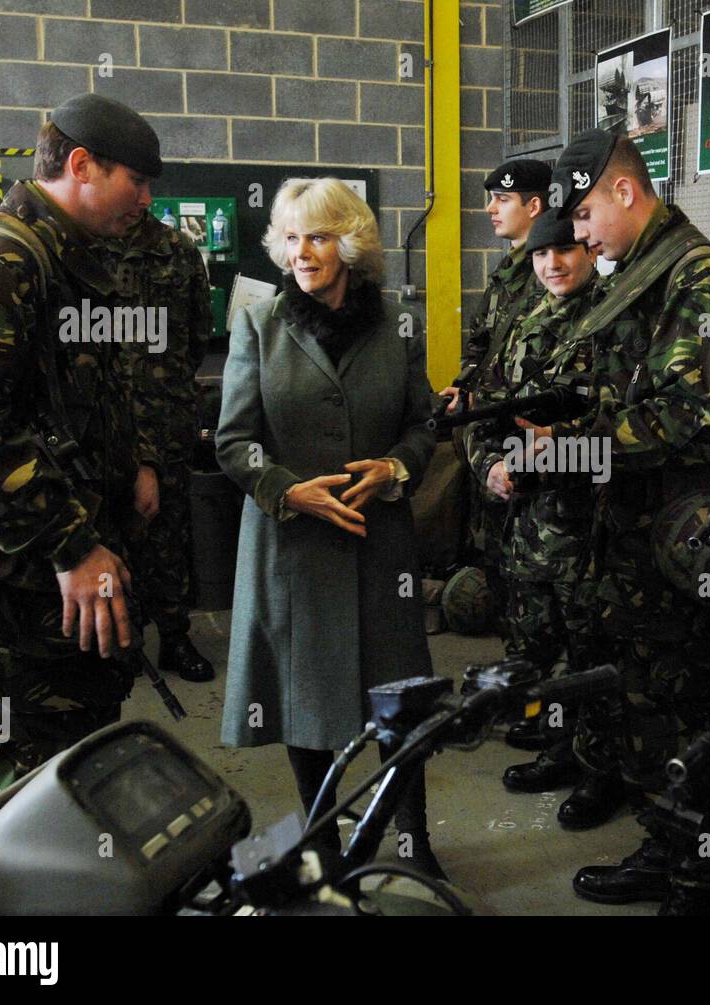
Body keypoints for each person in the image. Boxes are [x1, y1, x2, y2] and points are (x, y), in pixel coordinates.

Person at [0, 93, 161, 804]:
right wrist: (69, 545)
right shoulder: (1, 253)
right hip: (32, 576)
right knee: (28, 784)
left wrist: (132, 463)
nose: (144, 200)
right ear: (81, 164)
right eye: (135, 181)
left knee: (73, 764)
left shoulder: (69, 256)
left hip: (69, 563)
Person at [541, 129, 710, 914]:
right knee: (647, 703)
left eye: (588, 213)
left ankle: (699, 876)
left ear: (626, 192)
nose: (581, 234)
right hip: (637, 534)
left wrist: (565, 452)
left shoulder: (696, 278)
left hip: (679, 537)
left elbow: (689, 419)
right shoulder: (639, 275)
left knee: (688, 707)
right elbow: (626, 397)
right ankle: (666, 845)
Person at [216, 177, 440, 875]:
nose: (301, 251)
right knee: (304, 700)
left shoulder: (398, 322)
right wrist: (286, 490)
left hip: (382, 548)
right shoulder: (258, 323)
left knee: (399, 702)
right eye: (289, 237)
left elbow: (423, 421)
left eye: (316, 235)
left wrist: (397, 468)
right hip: (293, 545)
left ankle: (412, 844)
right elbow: (233, 441)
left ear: (349, 242)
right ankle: (324, 843)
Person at [462, 210, 601, 793]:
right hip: (527, 525)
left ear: (590, 252)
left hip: (588, 530)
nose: (553, 264)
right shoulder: (525, 324)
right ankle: (557, 744)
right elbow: (484, 404)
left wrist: (548, 456)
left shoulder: (611, 323)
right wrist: (490, 465)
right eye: (542, 255)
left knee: (589, 650)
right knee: (535, 639)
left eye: (566, 251)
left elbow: (616, 442)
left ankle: (595, 768)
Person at [440, 160, 551, 684]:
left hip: (531, 443)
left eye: (501, 199)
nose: (489, 208)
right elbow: (482, 341)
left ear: (535, 205)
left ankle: (537, 691)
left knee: (536, 578)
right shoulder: (508, 269)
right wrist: (465, 385)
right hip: (491, 437)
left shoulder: (556, 268)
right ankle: (519, 678)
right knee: (503, 565)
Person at [99, 207, 215, 682]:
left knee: (167, 528)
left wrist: (162, 380)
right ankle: (118, 635)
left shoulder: (177, 249)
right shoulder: (85, 245)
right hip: (100, 415)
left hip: (165, 413)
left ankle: (174, 635)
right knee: (107, 523)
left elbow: (198, 331)